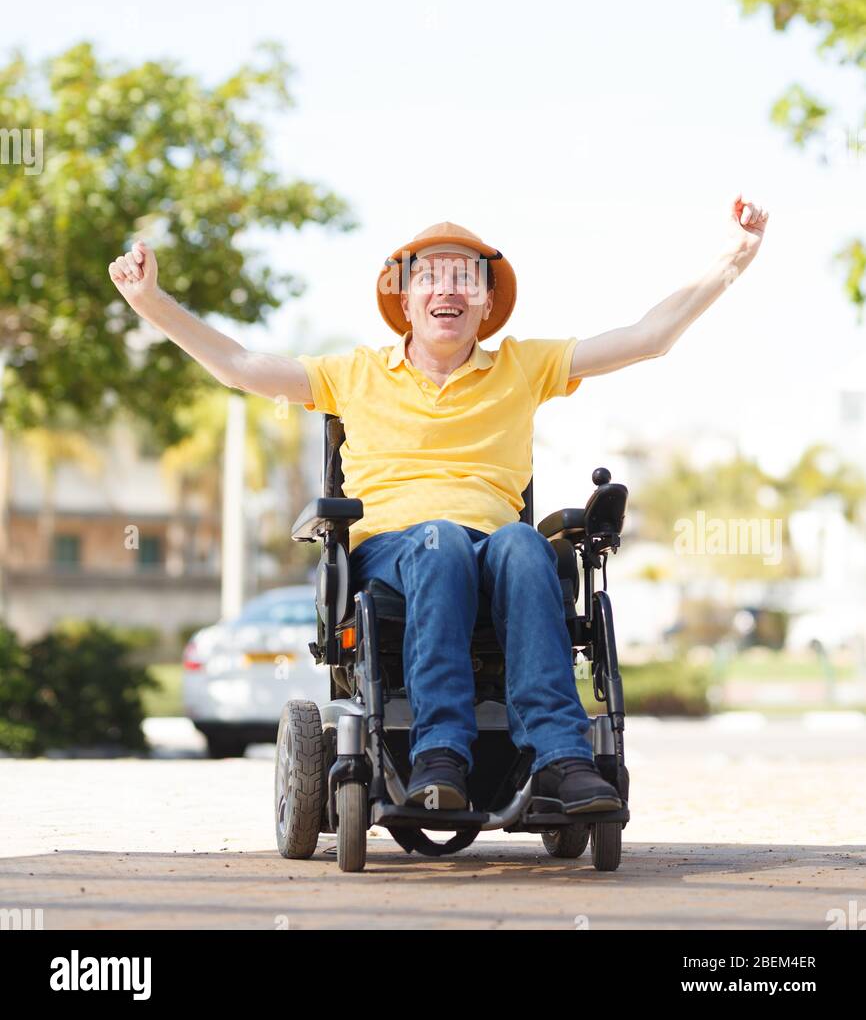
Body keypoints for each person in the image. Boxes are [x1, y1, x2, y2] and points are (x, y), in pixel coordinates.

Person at [108, 200, 769, 812]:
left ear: (486, 302)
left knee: (523, 542)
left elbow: (649, 336)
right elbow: (242, 364)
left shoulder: (523, 366)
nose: (447, 289)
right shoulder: (354, 373)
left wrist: (732, 260)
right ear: (405, 297)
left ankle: (564, 759)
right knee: (441, 541)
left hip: (492, 551)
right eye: (431, 277)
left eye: (464, 279)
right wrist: (152, 302)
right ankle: (440, 750)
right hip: (397, 553)